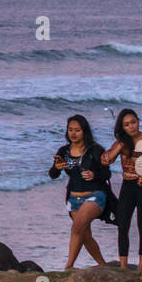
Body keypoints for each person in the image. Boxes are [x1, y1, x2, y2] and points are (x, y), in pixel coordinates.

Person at [48, 114, 111, 269]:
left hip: (95, 196)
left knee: (76, 228)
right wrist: (56, 168)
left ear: (84, 131)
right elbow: (53, 174)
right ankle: (103, 266)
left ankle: (68, 267)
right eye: (70, 130)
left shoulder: (95, 150)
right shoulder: (63, 151)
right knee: (85, 235)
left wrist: (94, 175)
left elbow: (107, 174)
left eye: (77, 130)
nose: (73, 133)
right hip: (74, 199)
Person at [100, 108, 142, 269]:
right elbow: (107, 160)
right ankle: (123, 266)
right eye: (126, 124)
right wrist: (119, 146)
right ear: (122, 127)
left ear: (138, 121)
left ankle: (141, 267)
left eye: (133, 122)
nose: (132, 126)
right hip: (127, 185)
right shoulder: (122, 142)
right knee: (123, 224)